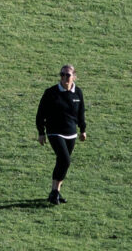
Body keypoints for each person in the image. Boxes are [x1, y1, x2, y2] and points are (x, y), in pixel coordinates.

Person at [36, 63, 86, 204]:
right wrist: (41, 132)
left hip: (71, 133)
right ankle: (55, 192)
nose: (64, 77)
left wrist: (83, 130)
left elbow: (81, 113)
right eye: (62, 74)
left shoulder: (78, 93)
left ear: (74, 77)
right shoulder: (51, 92)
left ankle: (55, 192)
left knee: (62, 162)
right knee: (65, 160)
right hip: (54, 132)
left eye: (67, 75)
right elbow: (40, 114)